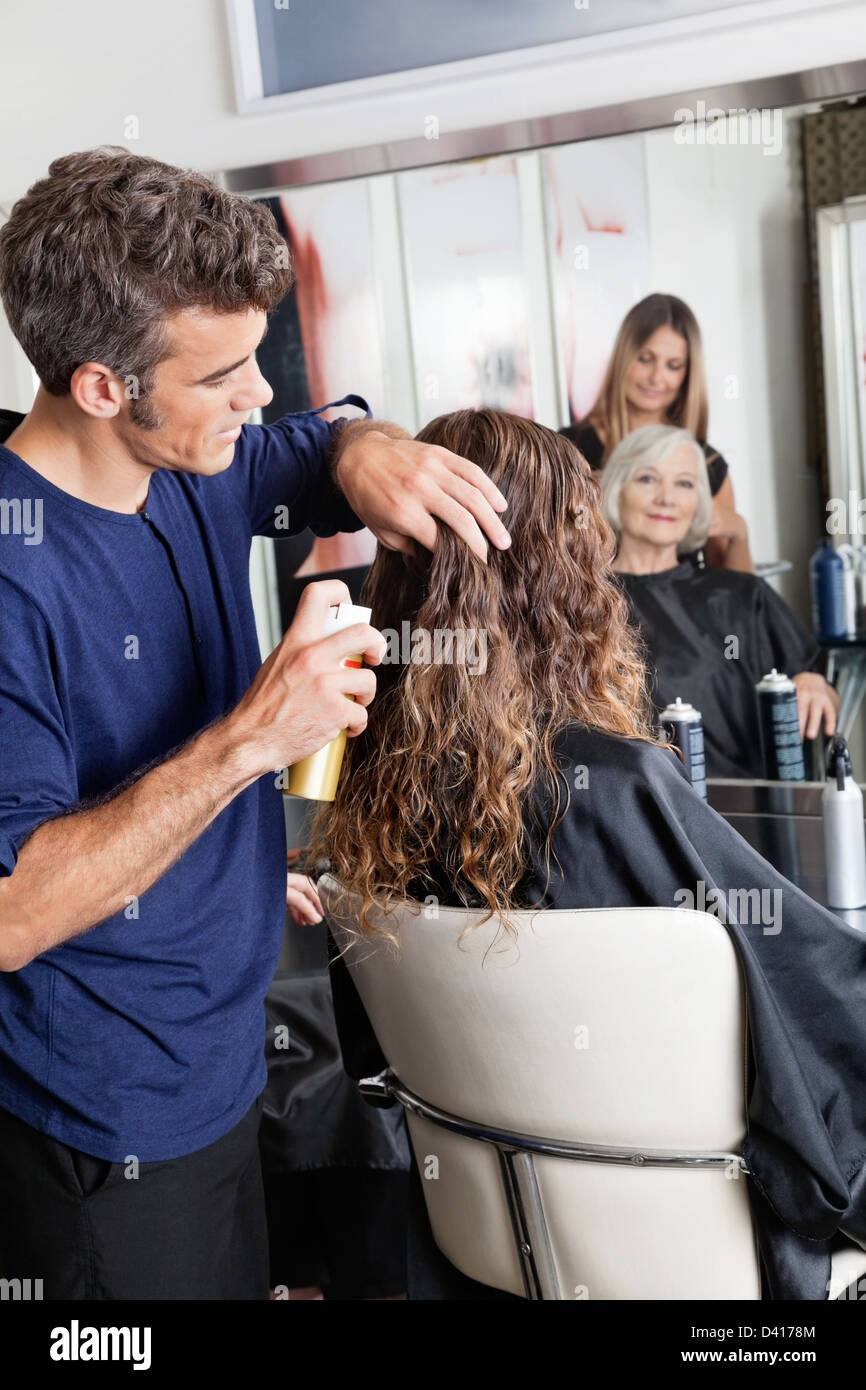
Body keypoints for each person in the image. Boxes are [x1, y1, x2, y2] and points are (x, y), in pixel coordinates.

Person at [0, 147, 512, 1301]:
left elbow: (325, 447)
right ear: (99, 386)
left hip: (221, 1071)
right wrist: (250, 742)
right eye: (223, 372)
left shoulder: (194, 462)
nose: (258, 395)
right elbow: (13, 910)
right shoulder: (14, 579)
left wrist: (368, 446)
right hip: (103, 1124)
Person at [314, 407, 866, 1301]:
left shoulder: (369, 770)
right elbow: (822, 996)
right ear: (556, 570)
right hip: (694, 1236)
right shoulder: (615, 781)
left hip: (501, 1232)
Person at [600, 424, 838, 778]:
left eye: (684, 484)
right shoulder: (585, 601)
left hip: (746, 812)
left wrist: (814, 685)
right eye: (648, 479)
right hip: (632, 813)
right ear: (617, 490)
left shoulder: (741, 595)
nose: (667, 498)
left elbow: (823, 692)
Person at [559, 292, 752, 573]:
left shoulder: (708, 466)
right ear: (624, 358)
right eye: (645, 359)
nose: (657, 378)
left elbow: (732, 595)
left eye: (673, 366)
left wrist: (739, 532)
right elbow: (549, 558)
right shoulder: (568, 451)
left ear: (687, 374)